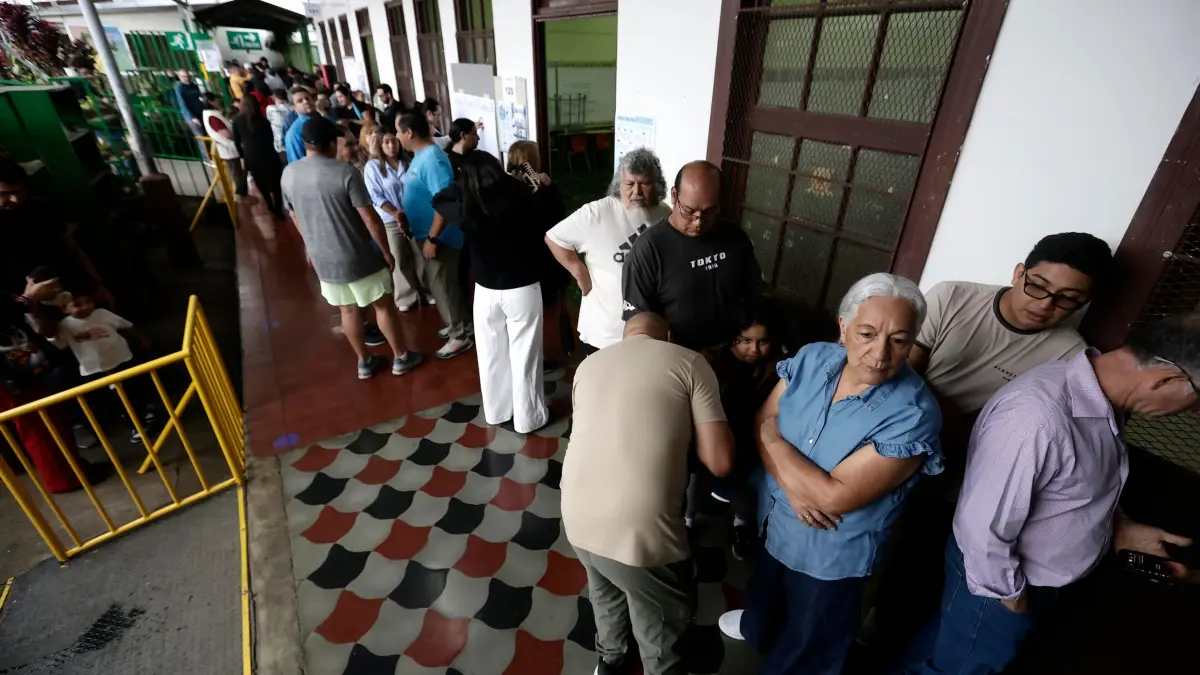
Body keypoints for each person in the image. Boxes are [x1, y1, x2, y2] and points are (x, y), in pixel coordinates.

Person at [898, 313, 1198, 675]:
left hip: (1019, 584)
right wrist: (1012, 603)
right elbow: (982, 530)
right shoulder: (1037, 417)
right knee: (963, 667)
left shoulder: (1099, 398)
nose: (1194, 410)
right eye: (1197, 400)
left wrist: (1119, 528)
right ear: (1166, 379)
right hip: (1000, 586)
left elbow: (1069, 488)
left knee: (946, 649)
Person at [864, 232, 1116, 649]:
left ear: (1085, 301)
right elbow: (895, 379)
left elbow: (1024, 440)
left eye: (1068, 299)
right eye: (1038, 286)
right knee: (866, 543)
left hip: (968, 477)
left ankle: (883, 630)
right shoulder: (953, 298)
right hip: (896, 448)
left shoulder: (1071, 355)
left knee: (920, 563)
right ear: (1019, 273)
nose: (1046, 305)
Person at [717, 273, 943, 675]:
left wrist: (774, 441)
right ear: (844, 326)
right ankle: (759, 631)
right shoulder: (813, 358)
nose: (879, 353)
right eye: (867, 333)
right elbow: (761, 421)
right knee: (768, 591)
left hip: (831, 550)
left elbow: (834, 498)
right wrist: (795, 479)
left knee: (811, 638)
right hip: (777, 518)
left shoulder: (914, 414)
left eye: (899, 340)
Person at [562, 312, 735, 675]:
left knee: (606, 588)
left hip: (576, 513)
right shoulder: (689, 362)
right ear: (668, 336)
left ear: (625, 336)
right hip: (638, 527)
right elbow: (720, 462)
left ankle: (611, 660)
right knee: (658, 613)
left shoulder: (588, 365)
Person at [281, 117, 424, 379]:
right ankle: (402, 357)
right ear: (331, 143)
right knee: (383, 306)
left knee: (347, 309)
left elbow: (294, 216)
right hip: (358, 255)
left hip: (323, 258)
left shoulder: (289, 173)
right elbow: (370, 219)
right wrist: (385, 251)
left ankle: (364, 362)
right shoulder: (344, 173)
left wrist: (311, 246)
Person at [433, 151, 551, 432]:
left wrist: (465, 185)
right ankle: (528, 418)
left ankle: (497, 411)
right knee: (525, 355)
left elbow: (438, 198)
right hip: (522, 289)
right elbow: (546, 216)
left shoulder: (466, 210)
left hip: (485, 291)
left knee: (490, 355)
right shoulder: (522, 198)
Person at [622, 161, 764, 353]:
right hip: (678, 359)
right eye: (689, 211)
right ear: (674, 196)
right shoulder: (648, 250)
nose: (698, 222)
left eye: (708, 212)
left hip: (733, 354)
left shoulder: (734, 237)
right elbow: (639, 326)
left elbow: (754, 291)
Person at [544, 148, 672, 355]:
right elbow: (554, 238)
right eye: (629, 184)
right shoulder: (596, 213)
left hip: (647, 332)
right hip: (603, 334)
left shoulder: (665, 213)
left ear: (657, 185)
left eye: (645, 184)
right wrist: (578, 270)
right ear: (619, 185)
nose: (636, 192)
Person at [0, 277, 111, 493]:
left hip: (18, 362)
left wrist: (27, 297)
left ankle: (73, 469)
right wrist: (28, 298)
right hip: (8, 373)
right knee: (35, 424)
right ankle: (63, 479)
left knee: (48, 418)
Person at [708, 299, 784, 561]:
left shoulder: (779, 368)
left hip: (759, 441)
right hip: (720, 439)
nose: (754, 349)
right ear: (732, 339)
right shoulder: (714, 364)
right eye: (745, 340)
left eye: (763, 342)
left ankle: (742, 524)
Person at [396, 112, 473, 359]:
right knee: (440, 284)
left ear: (410, 132)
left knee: (443, 285)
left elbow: (446, 202)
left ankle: (460, 336)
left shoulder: (432, 159)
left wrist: (432, 238)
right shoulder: (420, 156)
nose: (397, 137)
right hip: (425, 233)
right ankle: (457, 324)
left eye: (399, 132)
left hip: (440, 238)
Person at [364, 132, 425, 313]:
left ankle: (426, 290)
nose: (392, 146)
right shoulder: (373, 167)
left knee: (420, 254)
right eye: (387, 142)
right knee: (399, 257)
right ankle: (406, 295)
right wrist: (395, 213)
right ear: (380, 146)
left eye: (394, 141)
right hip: (391, 220)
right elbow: (376, 195)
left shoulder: (408, 162)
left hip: (414, 216)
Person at [232, 95, 285, 218]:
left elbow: (236, 141)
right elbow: (271, 138)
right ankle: (278, 210)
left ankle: (269, 205)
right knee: (276, 184)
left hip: (251, 156)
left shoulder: (236, 121)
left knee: (260, 183)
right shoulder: (263, 121)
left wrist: (243, 155)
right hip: (269, 154)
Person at [201, 93, 247, 198]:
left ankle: (242, 193)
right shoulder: (212, 116)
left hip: (229, 148)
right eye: (216, 100)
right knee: (236, 173)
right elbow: (226, 134)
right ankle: (242, 195)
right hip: (228, 149)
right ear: (210, 102)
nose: (218, 102)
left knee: (237, 172)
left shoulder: (211, 113)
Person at [173, 69, 206, 148]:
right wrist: (192, 117)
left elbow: (200, 98)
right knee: (200, 137)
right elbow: (183, 104)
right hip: (191, 115)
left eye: (188, 76)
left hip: (200, 112)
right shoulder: (180, 88)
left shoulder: (194, 86)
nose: (186, 78)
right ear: (179, 77)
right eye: (184, 77)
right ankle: (206, 158)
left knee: (206, 134)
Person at [283, 87, 316, 164]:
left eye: (307, 98)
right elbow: (297, 165)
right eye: (300, 101)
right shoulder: (294, 133)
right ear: (293, 107)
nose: (306, 102)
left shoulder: (323, 120)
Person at [265, 88, 293, 164]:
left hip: (280, 143)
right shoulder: (293, 108)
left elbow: (269, 120)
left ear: (274, 97)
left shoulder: (270, 109)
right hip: (293, 142)